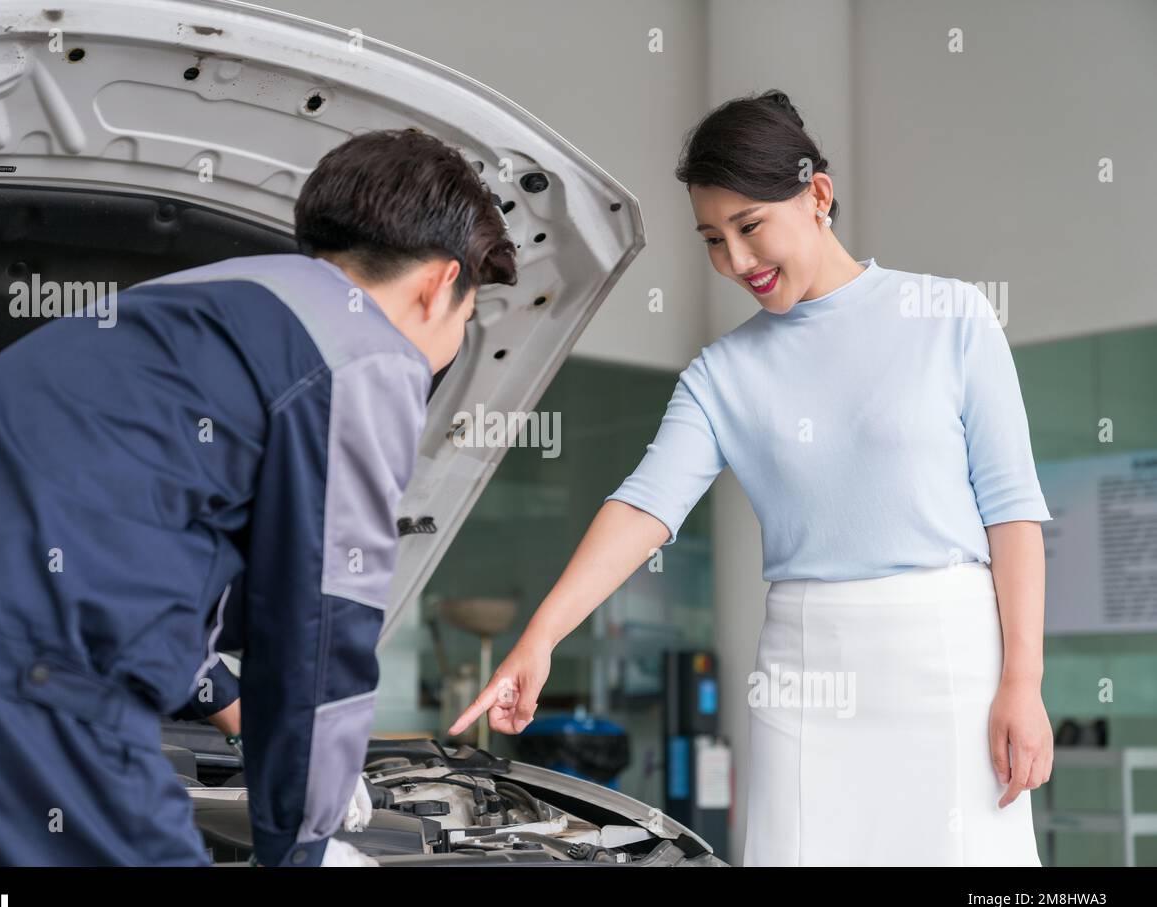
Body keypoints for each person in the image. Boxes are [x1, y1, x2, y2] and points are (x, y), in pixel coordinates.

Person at [0, 128, 516, 866]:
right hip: (20, 695)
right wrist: (305, 838)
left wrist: (224, 699)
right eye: (468, 316)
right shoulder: (366, 353)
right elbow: (321, 624)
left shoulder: (190, 302)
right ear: (439, 283)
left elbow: (130, 544)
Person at [450, 89, 1053, 866]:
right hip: (804, 672)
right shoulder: (722, 372)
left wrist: (1024, 682)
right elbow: (645, 504)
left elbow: (1012, 513)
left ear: (818, 196)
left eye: (749, 226)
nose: (736, 262)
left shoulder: (951, 315)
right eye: (712, 238)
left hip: (949, 663)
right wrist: (540, 636)